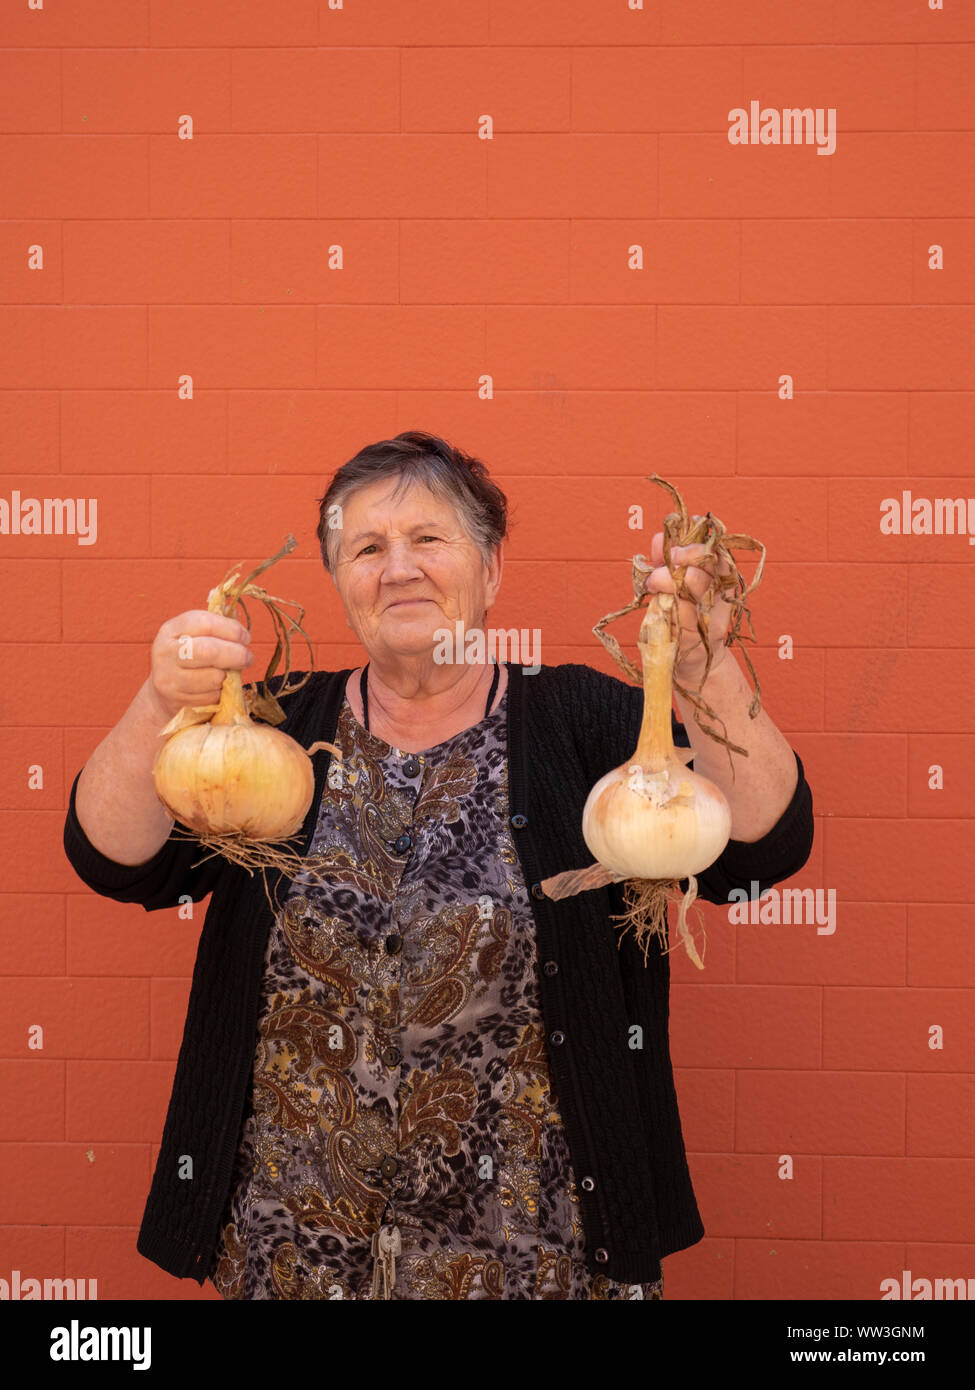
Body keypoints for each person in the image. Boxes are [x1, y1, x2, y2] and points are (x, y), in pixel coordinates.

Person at [63, 431, 813, 1300]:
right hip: (294, 1245)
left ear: (490, 570)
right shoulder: (275, 727)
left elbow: (762, 848)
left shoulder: (580, 719)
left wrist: (701, 669)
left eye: (429, 539)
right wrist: (161, 699)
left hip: (540, 1250)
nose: (398, 568)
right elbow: (117, 861)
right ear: (339, 581)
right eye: (366, 548)